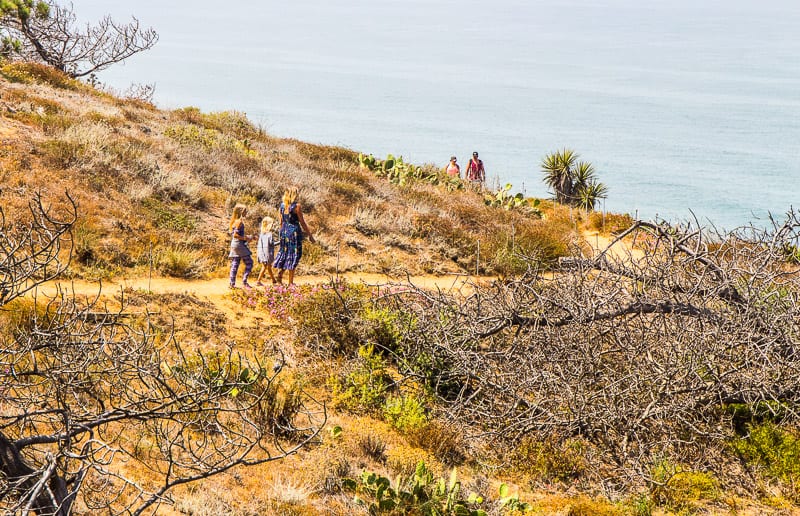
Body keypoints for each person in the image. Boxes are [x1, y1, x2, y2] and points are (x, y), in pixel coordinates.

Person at [272, 187, 316, 285]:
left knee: (284, 253)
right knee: (294, 254)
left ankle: (280, 275)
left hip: (284, 231)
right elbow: (302, 222)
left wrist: (282, 233)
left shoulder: (282, 206)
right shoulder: (296, 206)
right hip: (294, 233)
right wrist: (310, 235)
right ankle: (290, 282)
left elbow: (281, 222)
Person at [228, 203, 255, 289]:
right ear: (241, 212)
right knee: (249, 263)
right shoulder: (239, 222)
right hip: (239, 245)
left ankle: (232, 284)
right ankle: (244, 281)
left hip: (234, 244)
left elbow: (234, 235)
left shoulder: (234, 222)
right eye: (245, 211)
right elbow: (236, 235)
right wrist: (246, 238)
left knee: (235, 264)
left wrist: (246, 237)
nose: (246, 212)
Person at [255, 216, 276, 286]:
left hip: (262, 252)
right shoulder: (270, 234)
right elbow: (272, 243)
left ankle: (274, 280)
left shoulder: (262, 233)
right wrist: (280, 242)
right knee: (265, 267)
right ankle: (258, 281)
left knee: (268, 267)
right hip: (267, 253)